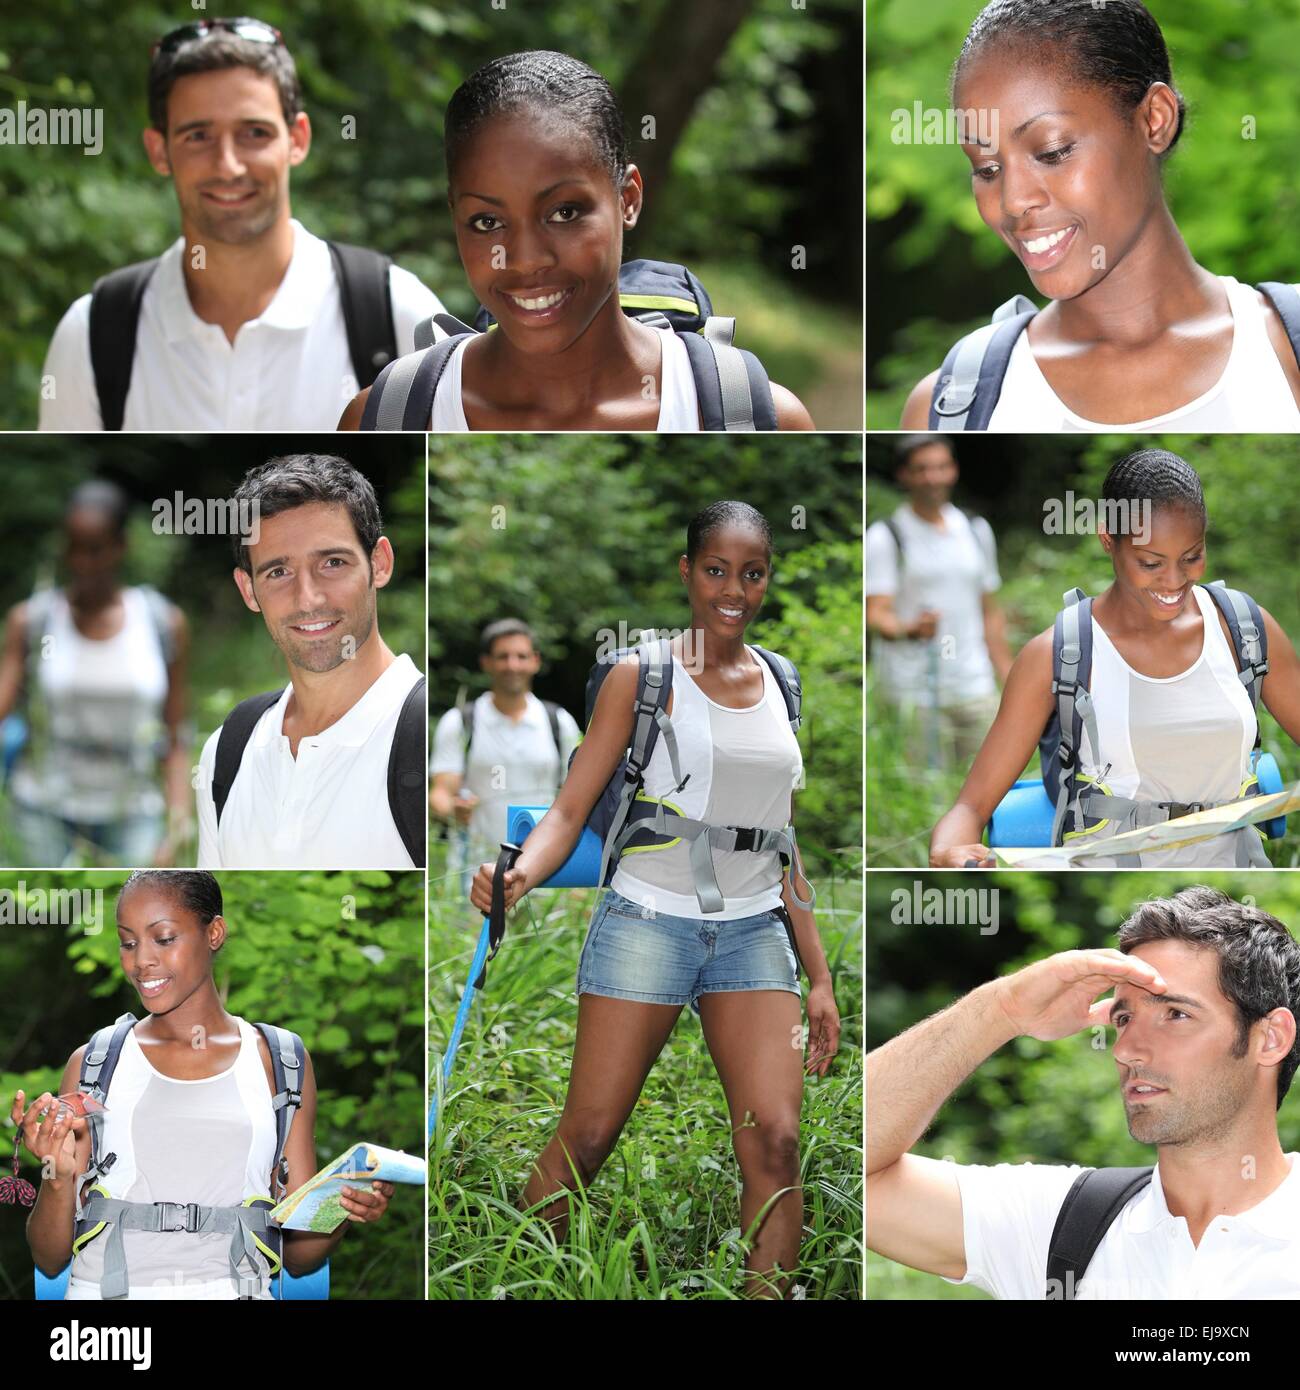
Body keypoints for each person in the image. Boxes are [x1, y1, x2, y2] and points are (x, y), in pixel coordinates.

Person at [468, 501, 840, 1297]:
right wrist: (520, 878)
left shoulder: (781, 681)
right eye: (716, 569)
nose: (733, 588)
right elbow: (571, 809)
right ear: (686, 572)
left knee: (774, 1141)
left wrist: (820, 976)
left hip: (752, 936)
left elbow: (784, 841)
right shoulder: (644, 675)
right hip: (648, 922)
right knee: (590, 1135)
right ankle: (519, 1278)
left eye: (752, 572)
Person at [339, 51, 815, 432]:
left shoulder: (757, 417)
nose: (526, 259)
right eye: (487, 221)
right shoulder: (386, 418)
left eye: (564, 213)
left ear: (627, 199)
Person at [867, 888, 1300, 1299]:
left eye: (1176, 1014)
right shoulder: (1063, 1222)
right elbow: (856, 1167)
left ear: (1270, 1038)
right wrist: (1004, 1009)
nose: (1127, 1050)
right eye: (1124, 1018)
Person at [899, 0, 1300, 432]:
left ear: (1154, 120)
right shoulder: (950, 405)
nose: (1013, 201)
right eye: (987, 169)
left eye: (1052, 152)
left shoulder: (1284, 347)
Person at [39, 17, 445, 431]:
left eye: (254, 132)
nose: (228, 165)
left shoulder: (399, 314)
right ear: (159, 151)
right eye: (198, 136)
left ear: (298, 139)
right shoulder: (93, 334)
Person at [12, 870, 394, 1300]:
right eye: (129, 942)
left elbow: (301, 1257)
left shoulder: (281, 1060)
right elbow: (49, 1259)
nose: (141, 961)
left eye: (164, 938)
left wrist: (342, 1208)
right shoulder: (96, 1063)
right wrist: (59, 1180)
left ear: (214, 933)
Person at [930, 450, 1300, 868]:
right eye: (1150, 563)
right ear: (1107, 538)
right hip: (1110, 869)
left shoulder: (1246, 630)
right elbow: (970, 809)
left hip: (1237, 871)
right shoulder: (1058, 655)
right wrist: (952, 851)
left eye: (1192, 557)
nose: (1175, 581)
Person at [195, 455, 425, 869]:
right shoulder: (228, 749)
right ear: (248, 590)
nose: (309, 599)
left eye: (332, 563)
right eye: (278, 572)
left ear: (379, 563)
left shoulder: (420, 737)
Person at [0, 480, 191, 867]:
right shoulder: (34, 620)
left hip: (133, 810)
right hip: (43, 811)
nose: (82, 563)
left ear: (121, 546)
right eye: (73, 548)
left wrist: (178, 819)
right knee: (49, 920)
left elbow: (175, 732)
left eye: (95, 550)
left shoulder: (160, 622)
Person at [866, 435, 1012, 771]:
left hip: (975, 686)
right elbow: (876, 614)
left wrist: (1008, 675)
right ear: (904, 475)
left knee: (989, 789)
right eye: (922, 469)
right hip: (914, 694)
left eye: (941, 467)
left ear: (954, 471)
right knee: (925, 801)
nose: (933, 477)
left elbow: (989, 610)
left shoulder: (975, 529)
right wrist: (909, 628)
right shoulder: (887, 536)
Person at [430, 619, 581, 876]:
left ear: (535, 661)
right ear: (486, 662)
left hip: (545, 871)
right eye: (503, 657)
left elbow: (578, 800)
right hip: (475, 871)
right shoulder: (461, 722)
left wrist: (577, 869)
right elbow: (440, 794)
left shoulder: (559, 723)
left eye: (521, 656)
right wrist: (453, 810)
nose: (513, 665)